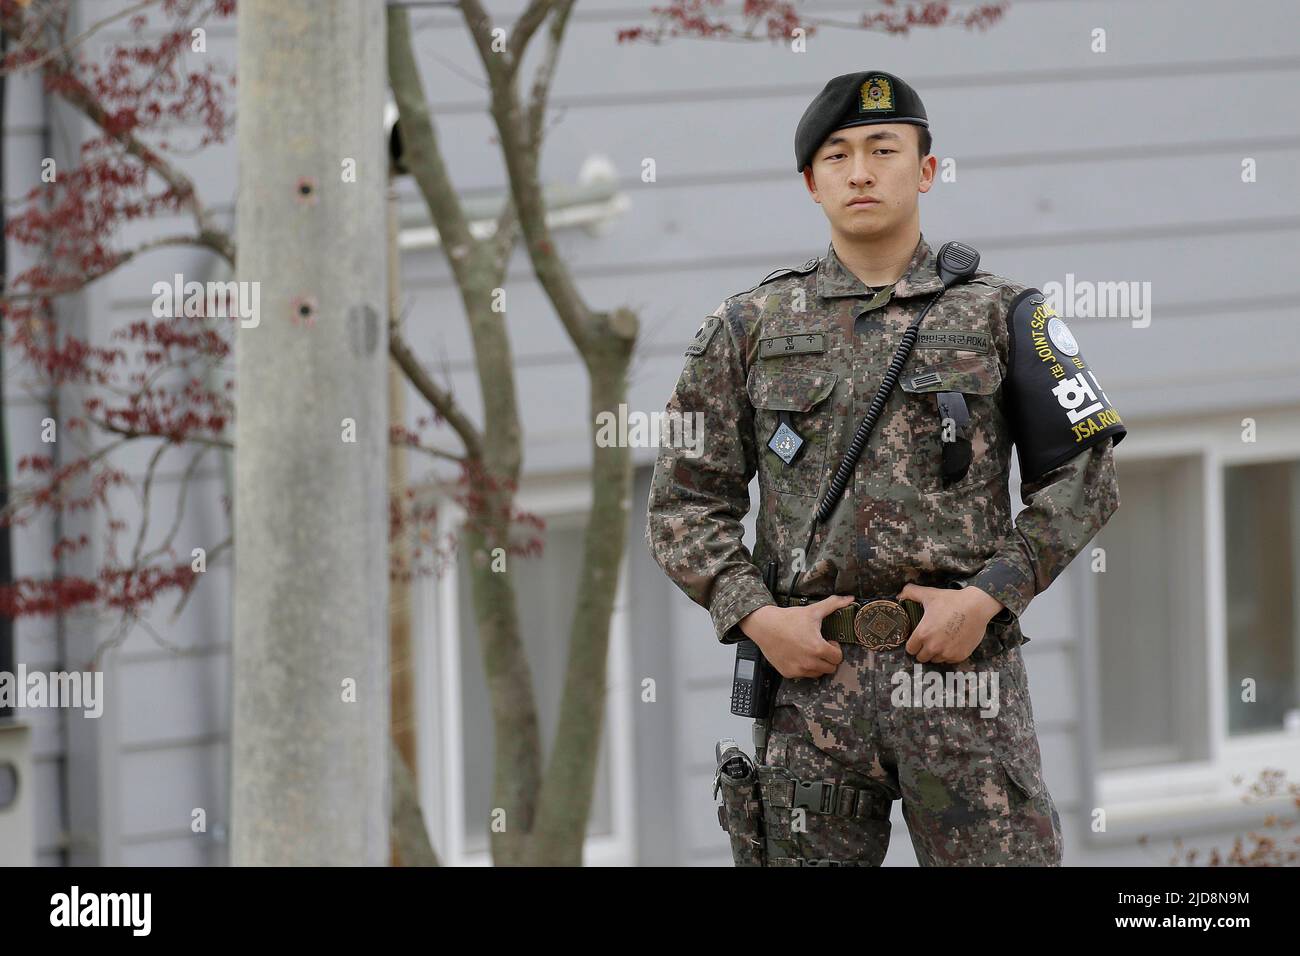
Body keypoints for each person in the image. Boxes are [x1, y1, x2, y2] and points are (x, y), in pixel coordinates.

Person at [645, 70, 1126, 866]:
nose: (860, 171)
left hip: (963, 682)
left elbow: (1085, 479)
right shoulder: (747, 327)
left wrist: (986, 598)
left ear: (926, 170)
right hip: (810, 692)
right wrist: (759, 619)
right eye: (837, 156)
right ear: (811, 182)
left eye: (882, 149)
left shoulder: (1005, 314)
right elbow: (683, 506)